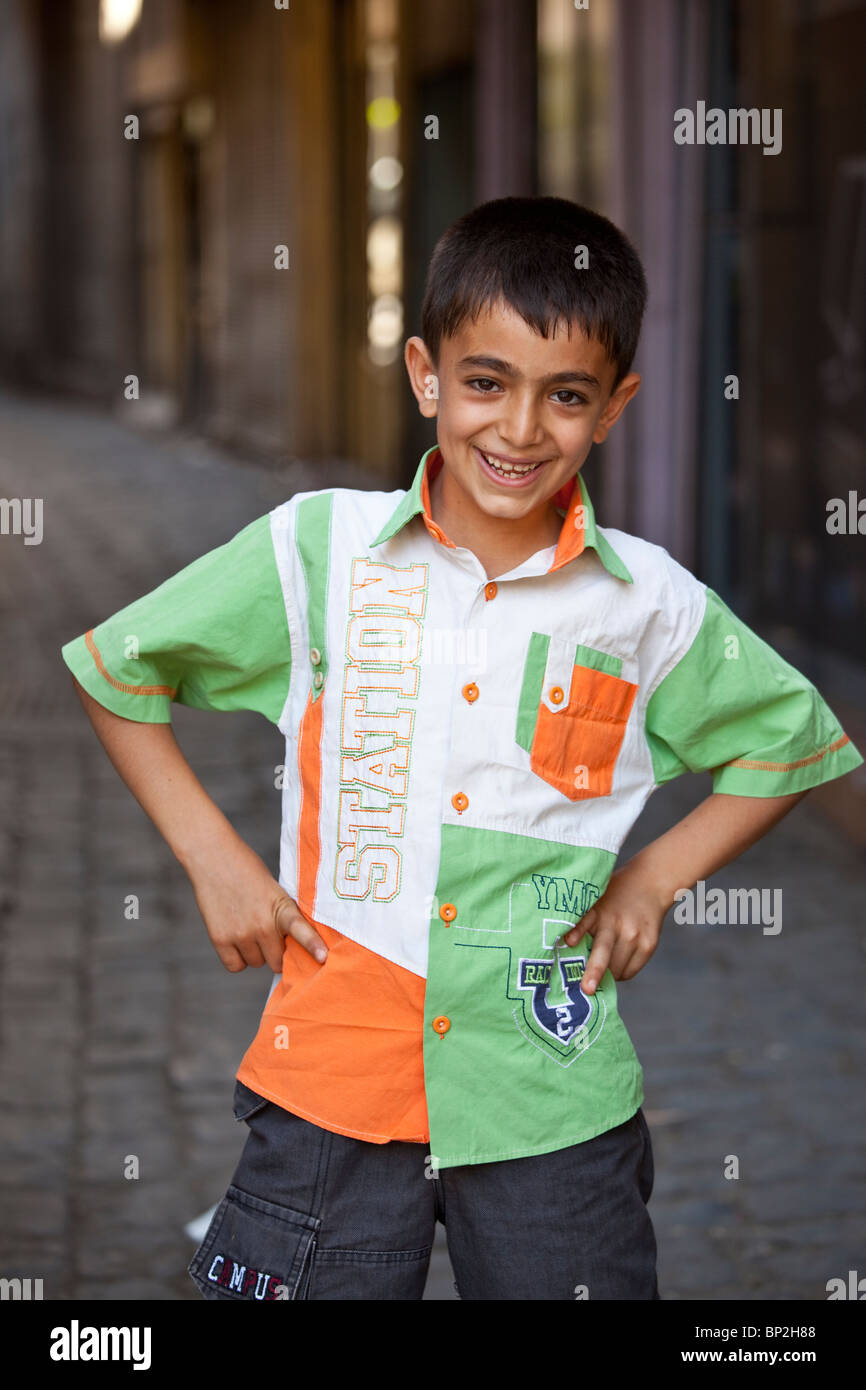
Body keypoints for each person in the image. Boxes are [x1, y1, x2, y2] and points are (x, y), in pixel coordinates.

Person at [61, 196, 863, 1301]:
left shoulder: (648, 605)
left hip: (548, 1096)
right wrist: (216, 861)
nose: (520, 429)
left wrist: (654, 879)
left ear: (613, 406)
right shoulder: (319, 549)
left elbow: (795, 737)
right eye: (485, 383)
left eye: (565, 396)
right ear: (425, 375)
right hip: (332, 1081)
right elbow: (119, 669)